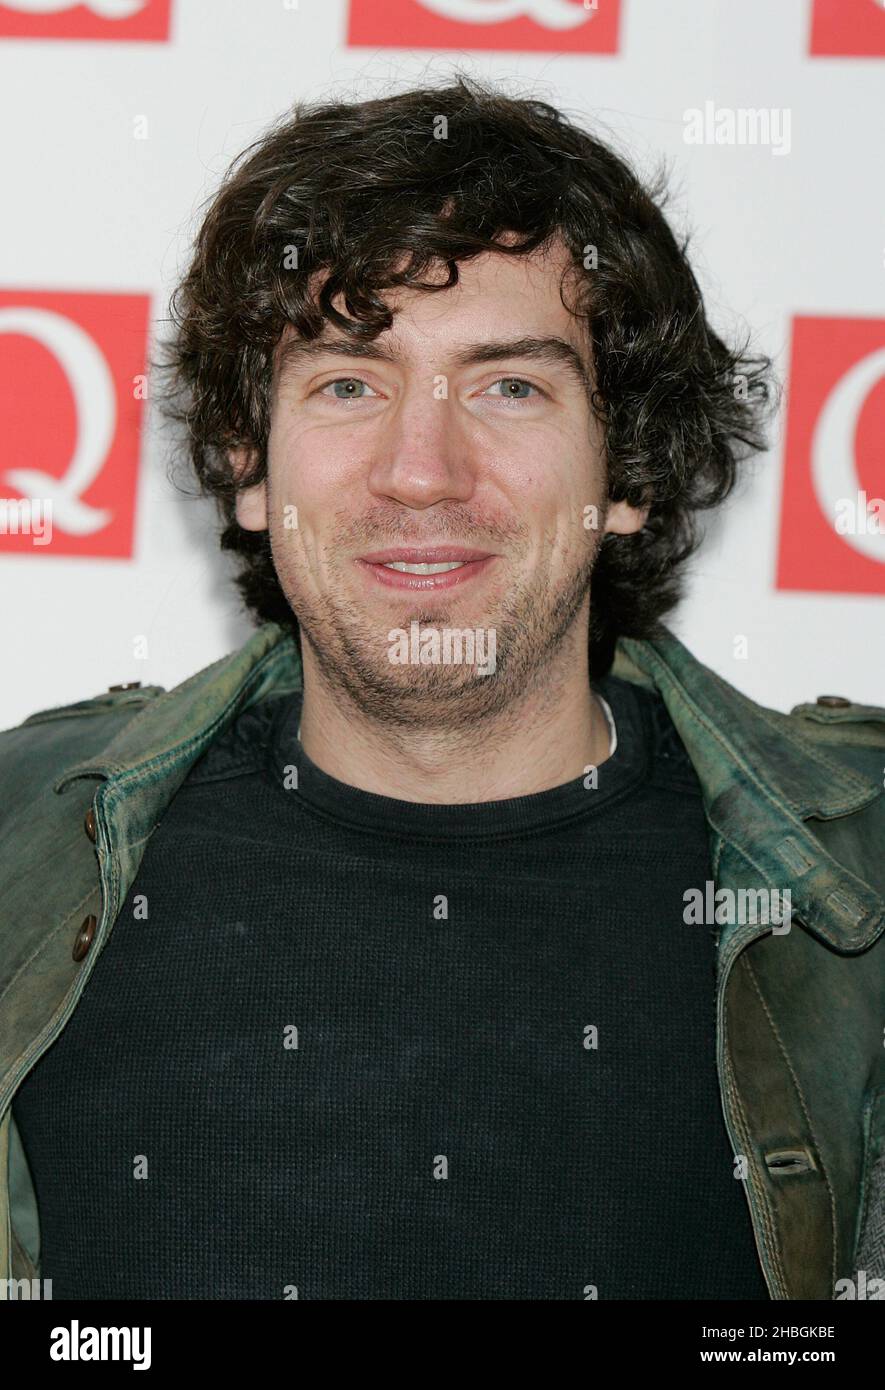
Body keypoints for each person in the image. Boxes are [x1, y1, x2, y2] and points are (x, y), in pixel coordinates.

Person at [2, 78, 883, 1302]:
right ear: (250, 465)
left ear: (625, 472)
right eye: (348, 384)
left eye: (508, 386)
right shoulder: (18, 844)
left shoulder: (863, 879)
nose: (421, 473)